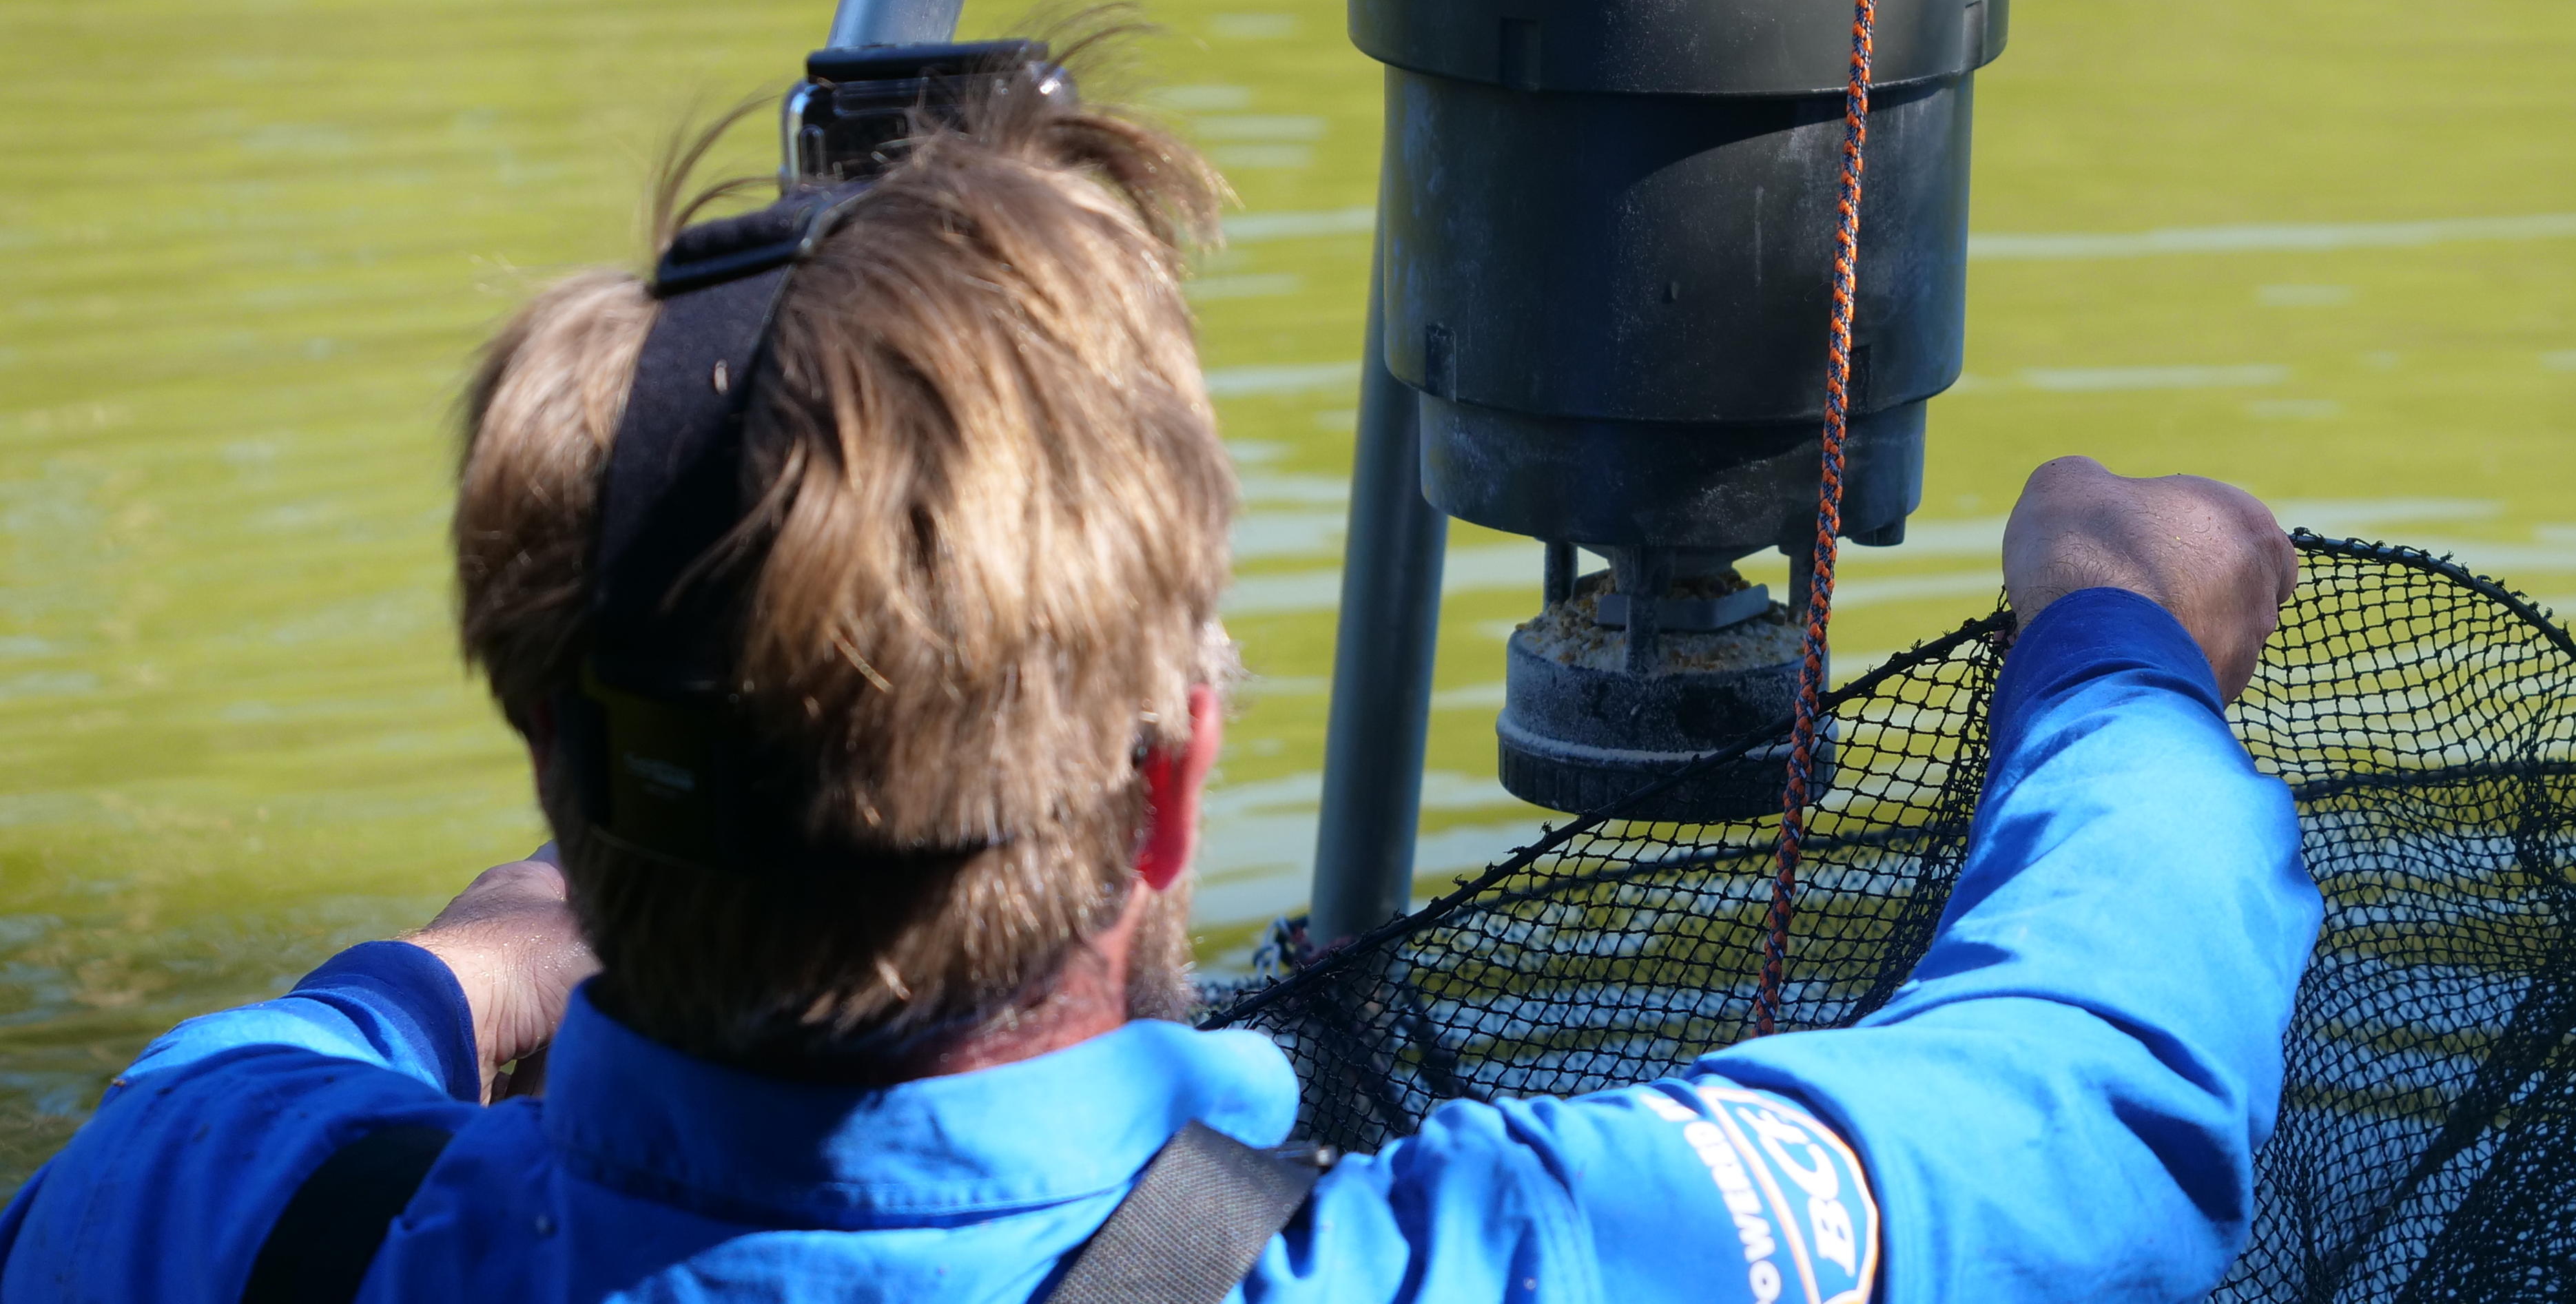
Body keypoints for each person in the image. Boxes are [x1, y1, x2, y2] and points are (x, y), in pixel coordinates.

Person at [0, 74, 2317, 1303]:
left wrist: (464, 967)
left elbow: (252, 1072)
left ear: (561, 762)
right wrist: (2120, 635)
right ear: (1175, 783)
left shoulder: (223, 1223)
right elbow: (2091, 1088)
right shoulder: (1473, 1274)